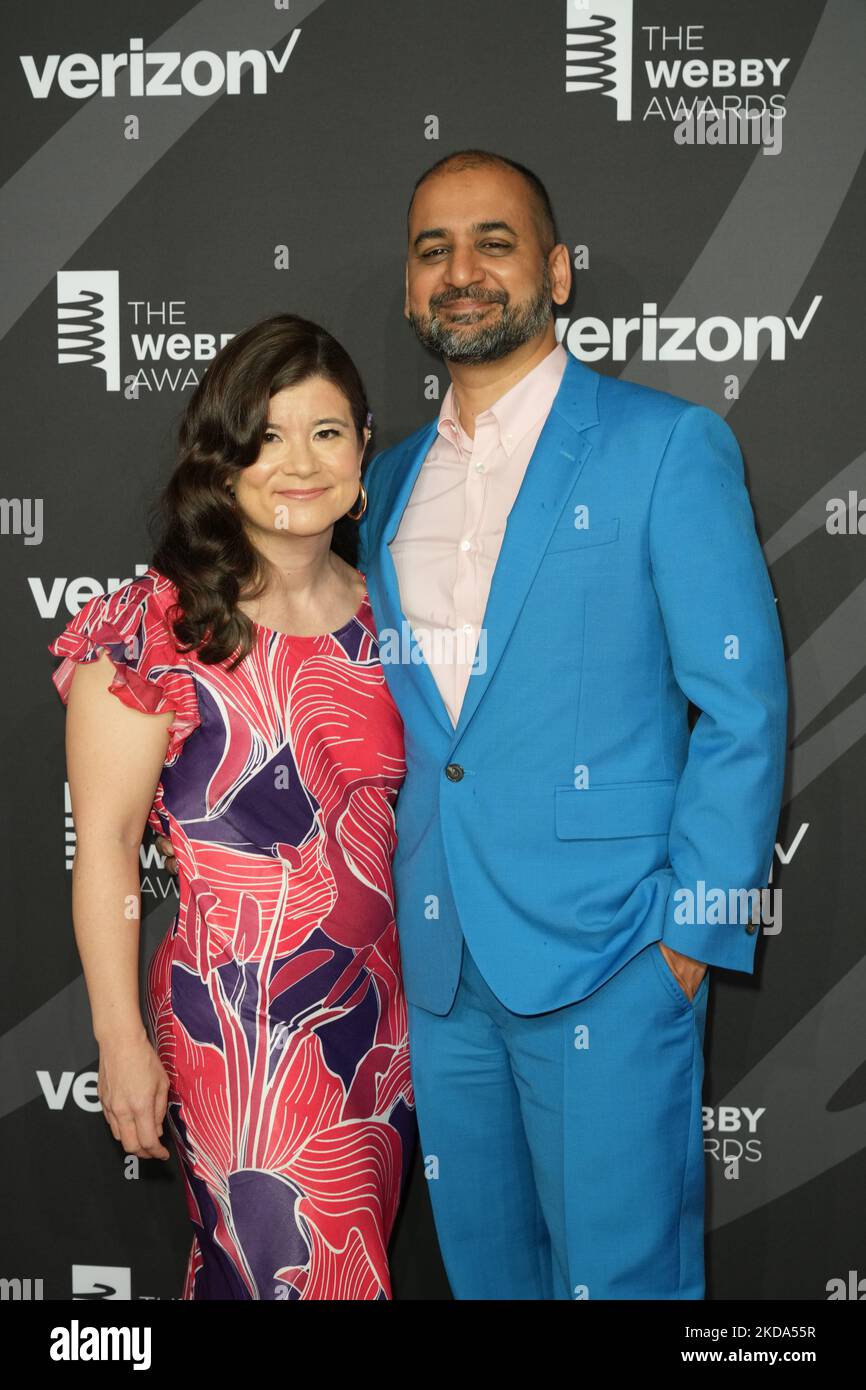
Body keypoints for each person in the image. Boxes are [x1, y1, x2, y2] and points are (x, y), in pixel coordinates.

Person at [159, 149, 788, 1301]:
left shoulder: (662, 446)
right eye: (432, 249)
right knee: (487, 1278)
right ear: (408, 292)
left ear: (553, 269)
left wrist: (688, 945)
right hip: (434, 969)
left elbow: (740, 704)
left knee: (625, 1281)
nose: (461, 271)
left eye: (492, 241)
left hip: (612, 958)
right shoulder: (379, 481)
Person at [48, 314, 415, 1300]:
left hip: (387, 1024)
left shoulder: (398, 614)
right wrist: (119, 1038)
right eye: (265, 437)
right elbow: (110, 848)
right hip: (240, 1030)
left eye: (325, 432)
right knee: (292, 1270)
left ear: (363, 448)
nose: (297, 463)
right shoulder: (147, 630)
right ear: (221, 461)